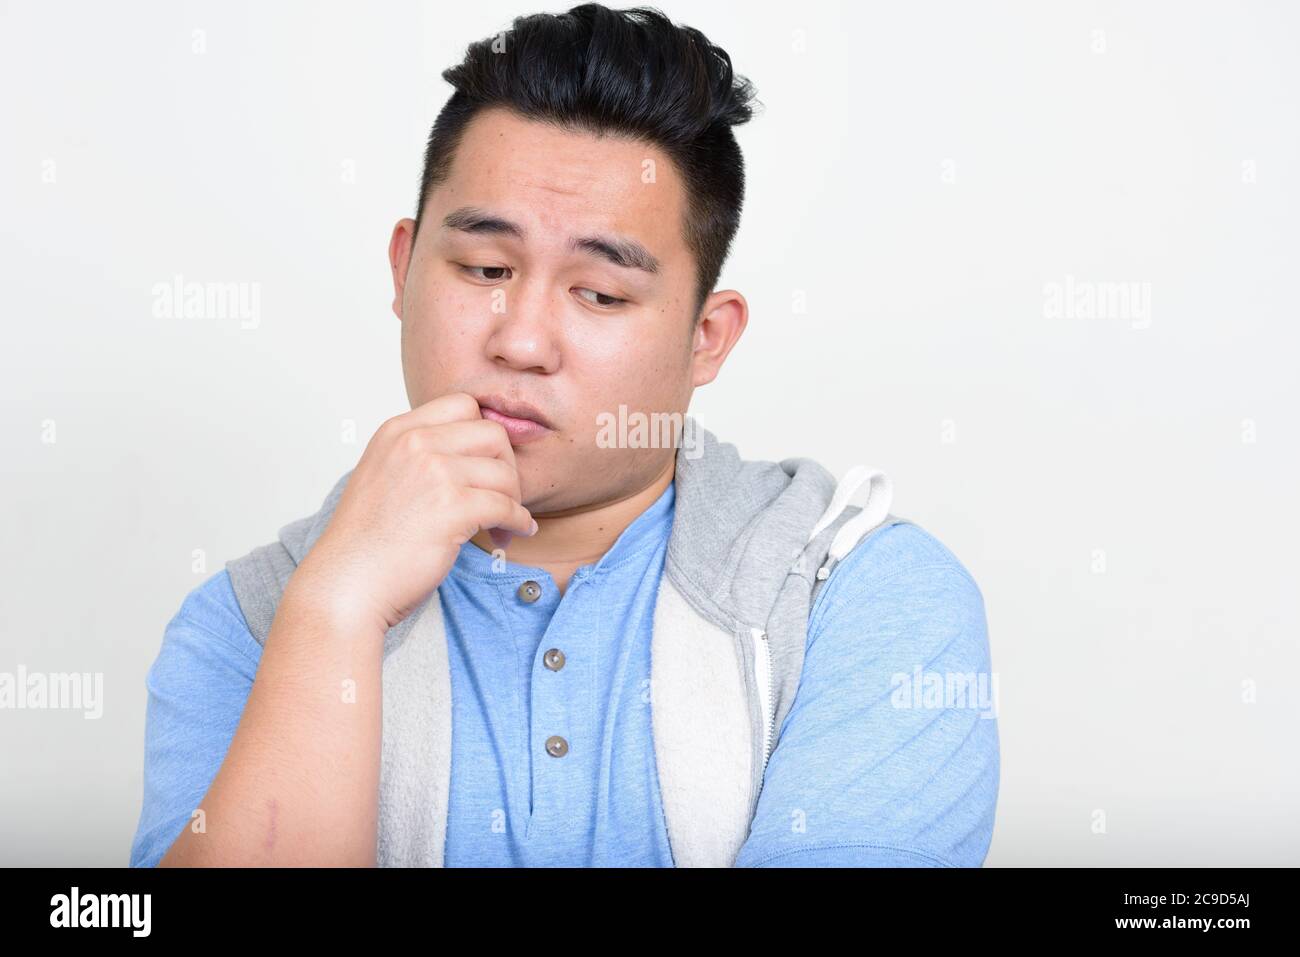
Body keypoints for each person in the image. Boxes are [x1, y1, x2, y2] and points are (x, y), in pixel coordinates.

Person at [130, 2, 998, 868]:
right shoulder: (248, 622)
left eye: (600, 294)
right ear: (403, 267)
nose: (521, 339)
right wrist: (332, 612)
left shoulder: (851, 596)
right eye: (485, 269)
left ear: (708, 338)